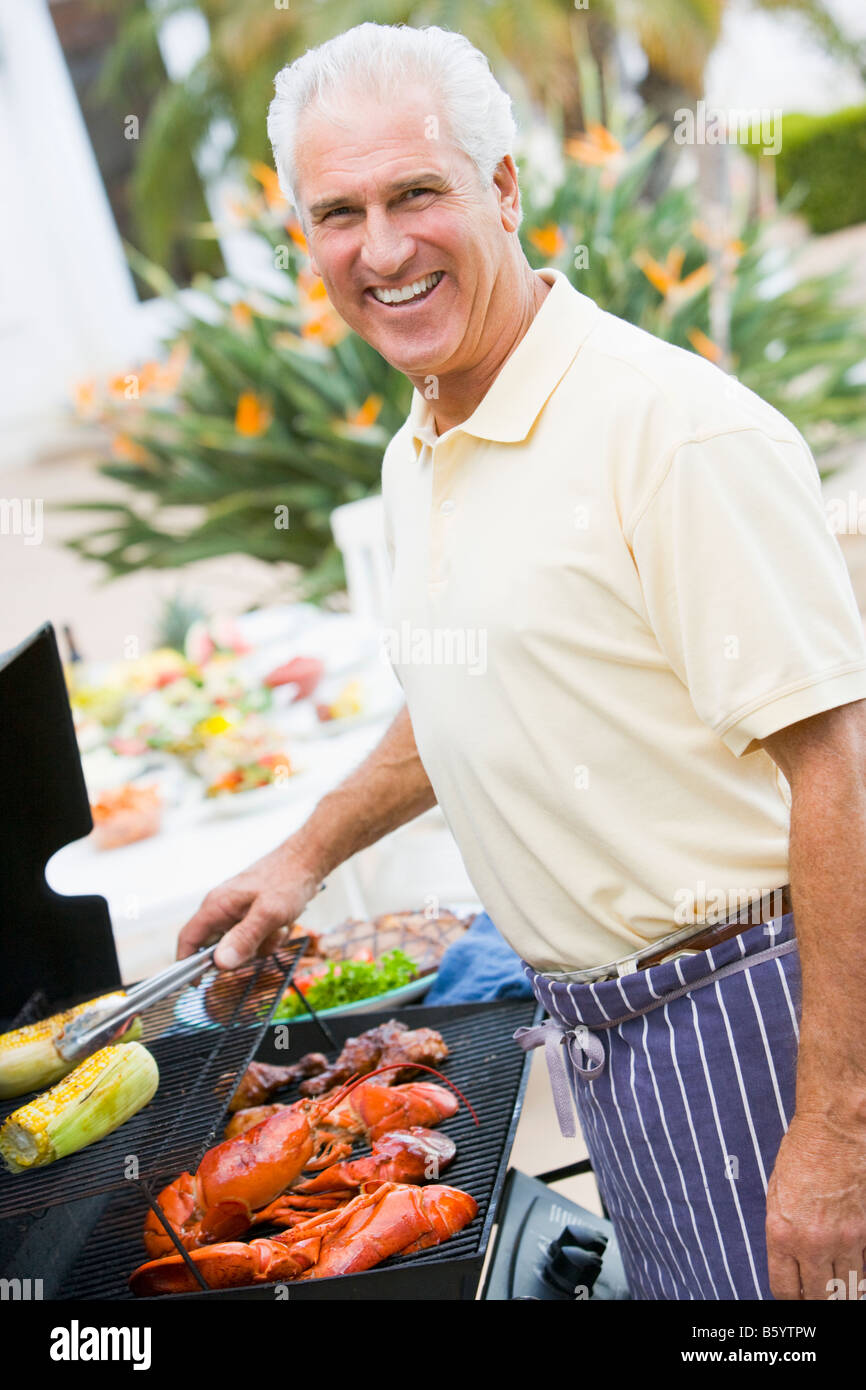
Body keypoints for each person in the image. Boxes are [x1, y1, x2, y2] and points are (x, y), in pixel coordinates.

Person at [178, 23, 866, 1301]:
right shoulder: (417, 445)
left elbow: (844, 775)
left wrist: (835, 1130)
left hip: (755, 1025)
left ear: (503, 190)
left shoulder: (670, 431)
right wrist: (302, 853)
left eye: (414, 193)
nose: (378, 249)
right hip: (603, 1045)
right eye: (338, 212)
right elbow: (470, 687)